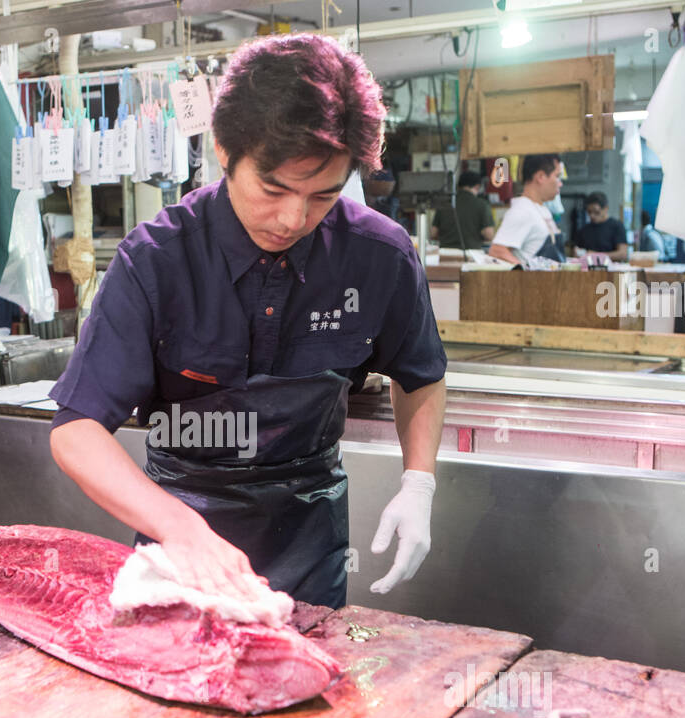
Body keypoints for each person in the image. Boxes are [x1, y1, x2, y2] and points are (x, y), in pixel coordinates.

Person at [48, 34, 448, 609]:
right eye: (274, 189)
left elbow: (420, 374)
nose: (293, 218)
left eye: (322, 196)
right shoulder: (156, 259)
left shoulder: (379, 255)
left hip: (310, 533)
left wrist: (419, 482)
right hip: (182, 536)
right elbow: (76, 432)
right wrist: (181, 531)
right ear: (223, 150)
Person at [487, 153, 565, 265]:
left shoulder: (541, 209)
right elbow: (497, 251)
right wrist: (527, 273)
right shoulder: (522, 210)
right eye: (557, 176)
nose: (560, 183)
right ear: (541, 177)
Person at [431, 170, 495, 249]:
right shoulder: (482, 204)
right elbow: (489, 235)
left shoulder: (445, 203)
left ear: (458, 186)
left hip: (445, 254)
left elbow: (433, 233)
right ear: (477, 186)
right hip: (472, 255)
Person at [574, 190, 629, 261]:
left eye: (596, 212)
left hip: (610, 270)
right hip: (588, 270)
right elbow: (576, 251)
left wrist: (595, 255)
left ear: (606, 209)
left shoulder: (617, 226)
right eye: (589, 212)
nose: (592, 215)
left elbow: (623, 254)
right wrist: (577, 252)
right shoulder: (584, 230)